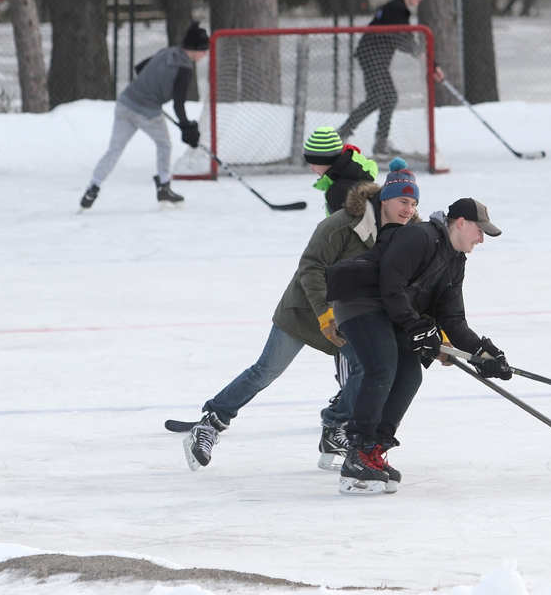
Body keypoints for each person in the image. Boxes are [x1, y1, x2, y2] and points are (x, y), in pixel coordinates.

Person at [182, 160, 422, 472]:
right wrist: (324, 313)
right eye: (403, 201)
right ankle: (211, 422)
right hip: (306, 310)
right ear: (386, 198)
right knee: (265, 370)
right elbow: (311, 267)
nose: (408, 209)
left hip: (352, 316)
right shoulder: (341, 224)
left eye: (414, 203)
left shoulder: (407, 233)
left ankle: (334, 429)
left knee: (369, 368)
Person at [325, 197, 511, 495]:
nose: (481, 239)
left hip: (390, 312)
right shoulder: (419, 236)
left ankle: (374, 449)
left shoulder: (454, 262)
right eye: (480, 231)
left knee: (411, 374)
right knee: (382, 366)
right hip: (359, 302)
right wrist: (417, 328)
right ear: (460, 223)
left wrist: (484, 353)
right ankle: (357, 452)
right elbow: (391, 284)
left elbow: (452, 318)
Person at [79, 21, 208, 209]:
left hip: (125, 104)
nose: (205, 55)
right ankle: (164, 186)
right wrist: (187, 127)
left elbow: (139, 69)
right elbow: (179, 104)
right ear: (195, 49)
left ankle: (93, 187)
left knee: (114, 150)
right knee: (164, 144)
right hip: (147, 113)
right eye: (204, 51)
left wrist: (151, 90)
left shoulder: (166, 52)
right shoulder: (185, 68)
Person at [337, 0, 444, 158]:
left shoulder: (398, 10)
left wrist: (431, 64)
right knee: (381, 97)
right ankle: (344, 135)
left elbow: (405, 40)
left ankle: (379, 141)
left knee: (386, 97)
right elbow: (405, 41)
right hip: (371, 57)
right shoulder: (396, 10)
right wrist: (431, 64)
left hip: (376, 58)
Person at [302, 126, 378, 216]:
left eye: (314, 163)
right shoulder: (346, 172)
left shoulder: (340, 190)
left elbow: (342, 228)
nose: (312, 168)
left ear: (326, 161)